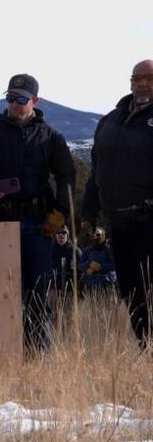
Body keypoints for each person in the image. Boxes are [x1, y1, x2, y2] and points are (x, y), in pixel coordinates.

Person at [0, 74, 76, 353]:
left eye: (20, 99)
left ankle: (37, 356)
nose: (14, 104)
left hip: (38, 226)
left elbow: (67, 177)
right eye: (10, 98)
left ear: (35, 101)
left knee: (37, 293)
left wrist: (60, 215)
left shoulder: (51, 137)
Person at [81, 59, 153, 346]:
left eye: (149, 78)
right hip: (119, 224)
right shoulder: (110, 120)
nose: (143, 84)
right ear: (130, 82)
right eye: (137, 78)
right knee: (131, 291)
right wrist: (88, 212)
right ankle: (146, 348)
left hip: (150, 220)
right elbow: (96, 173)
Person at [78, 227, 117, 296]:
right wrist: (88, 265)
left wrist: (101, 266)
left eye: (98, 234)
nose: (95, 236)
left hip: (107, 285)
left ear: (103, 235)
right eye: (94, 234)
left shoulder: (110, 250)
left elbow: (115, 265)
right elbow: (80, 265)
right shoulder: (87, 251)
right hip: (89, 285)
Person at [50, 227, 79, 296]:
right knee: (52, 306)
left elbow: (81, 269)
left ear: (67, 235)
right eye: (58, 233)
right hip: (53, 288)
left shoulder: (75, 251)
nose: (61, 235)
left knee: (68, 306)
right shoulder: (50, 250)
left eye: (63, 233)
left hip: (71, 289)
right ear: (55, 235)